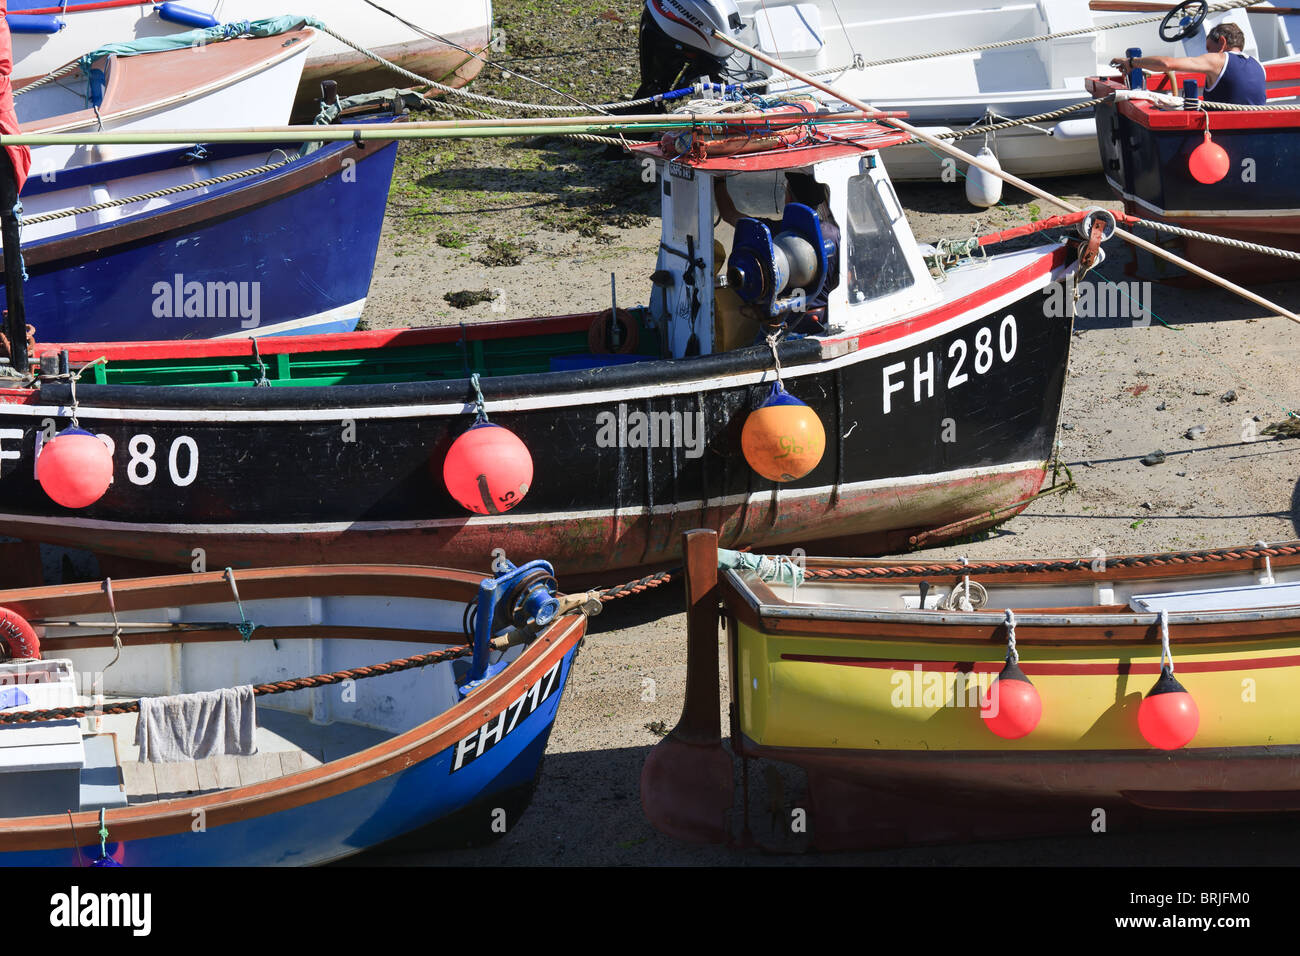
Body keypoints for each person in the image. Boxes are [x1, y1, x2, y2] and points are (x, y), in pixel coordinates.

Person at [713, 172, 840, 333]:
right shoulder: (836, 234)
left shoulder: (778, 232)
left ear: (790, 199)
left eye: (785, 191)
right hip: (825, 319)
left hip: (790, 321)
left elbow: (729, 214)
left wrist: (718, 182)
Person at [1110, 22, 1266, 106]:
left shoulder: (1218, 60)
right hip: (1256, 133)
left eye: (1209, 48)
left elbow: (1167, 64)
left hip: (1223, 135)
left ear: (1223, 42)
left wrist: (1132, 62)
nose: (1209, 53)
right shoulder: (1259, 66)